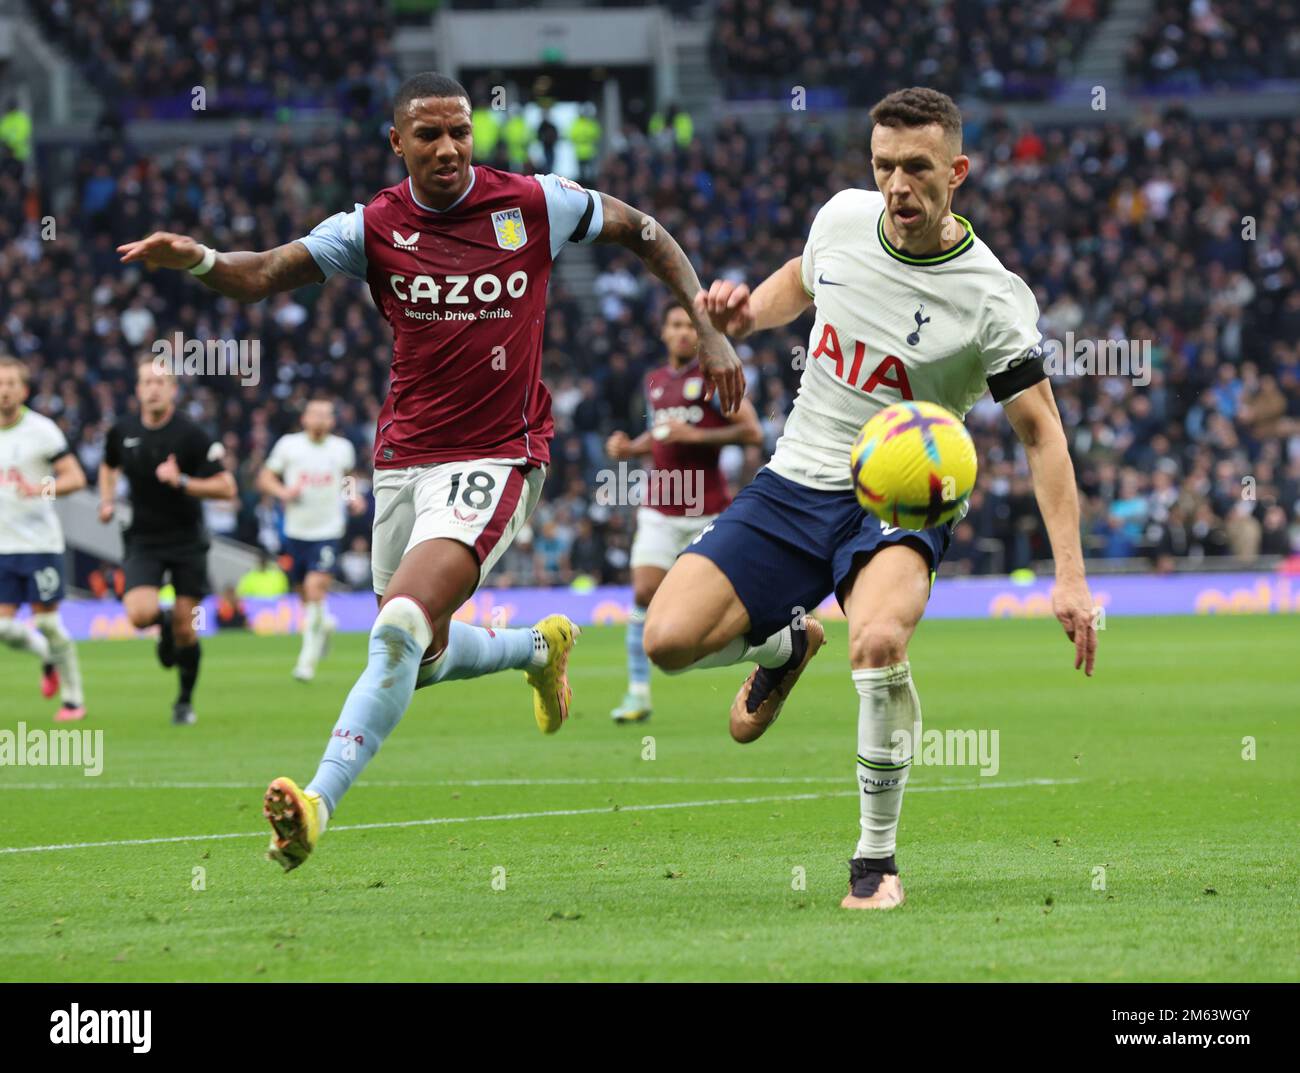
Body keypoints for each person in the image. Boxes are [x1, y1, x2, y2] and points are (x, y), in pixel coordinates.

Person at [116, 71, 745, 873]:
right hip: (403, 461)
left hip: (500, 455)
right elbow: (263, 272)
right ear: (397, 143)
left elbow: (645, 231)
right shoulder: (373, 226)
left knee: (397, 627)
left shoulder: (534, 203)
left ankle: (316, 802)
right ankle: (532, 651)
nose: (447, 148)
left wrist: (710, 328)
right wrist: (199, 257)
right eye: (428, 135)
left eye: (460, 132)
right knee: (424, 654)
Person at [644, 87, 1098, 910]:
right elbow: (800, 279)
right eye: (884, 166)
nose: (897, 186)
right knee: (666, 641)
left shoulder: (992, 296)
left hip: (901, 499)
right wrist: (747, 316)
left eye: (918, 169)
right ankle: (786, 645)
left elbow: (1042, 434)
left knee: (880, 640)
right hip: (795, 479)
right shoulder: (843, 219)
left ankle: (874, 862)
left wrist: (1070, 576)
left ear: (956, 172)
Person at [604, 302, 762, 722]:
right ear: (663, 332)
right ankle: (638, 692)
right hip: (660, 504)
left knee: (724, 603)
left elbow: (753, 431)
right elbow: (661, 436)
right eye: (675, 325)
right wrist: (631, 448)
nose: (683, 334)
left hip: (707, 509)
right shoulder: (654, 380)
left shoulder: (714, 375)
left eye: (691, 327)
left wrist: (696, 434)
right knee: (642, 593)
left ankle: (766, 662)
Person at [99, 355, 238, 725]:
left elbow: (227, 488)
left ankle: (184, 701)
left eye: (160, 382)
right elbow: (109, 464)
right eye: (146, 382)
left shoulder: (191, 435)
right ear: (137, 389)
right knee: (139, 614)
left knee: (186, 629)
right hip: (143, 538)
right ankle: (160, 623)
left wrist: (182, 482)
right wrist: (107, 500)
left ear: (174, 390)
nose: (153, 388)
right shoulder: (122, 430)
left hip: (187, 541)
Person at [0, 355, 88, 721]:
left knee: (49, 622)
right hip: (2, 547)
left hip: (39, 544)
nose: (3, 392)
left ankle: (73, 700)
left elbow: (76, 479)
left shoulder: (43, 430)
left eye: (11, 385)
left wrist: (40, 489)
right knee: (3, 628)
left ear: (24, 390)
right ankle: (47, 657)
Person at [257, 396, 365, 681]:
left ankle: (307, 661)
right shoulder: (288, 445)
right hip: (295, 532)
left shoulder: (342, 448)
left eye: (325, 415)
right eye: (314, 414)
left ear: (332, 421)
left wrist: (352, 498)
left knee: (315, 588)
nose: (319, 419)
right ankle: (325, 624)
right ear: (304, 418)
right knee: (304, 594)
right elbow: (265, 478)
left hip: (328, 531)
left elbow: (347, 478)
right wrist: (283, 493)